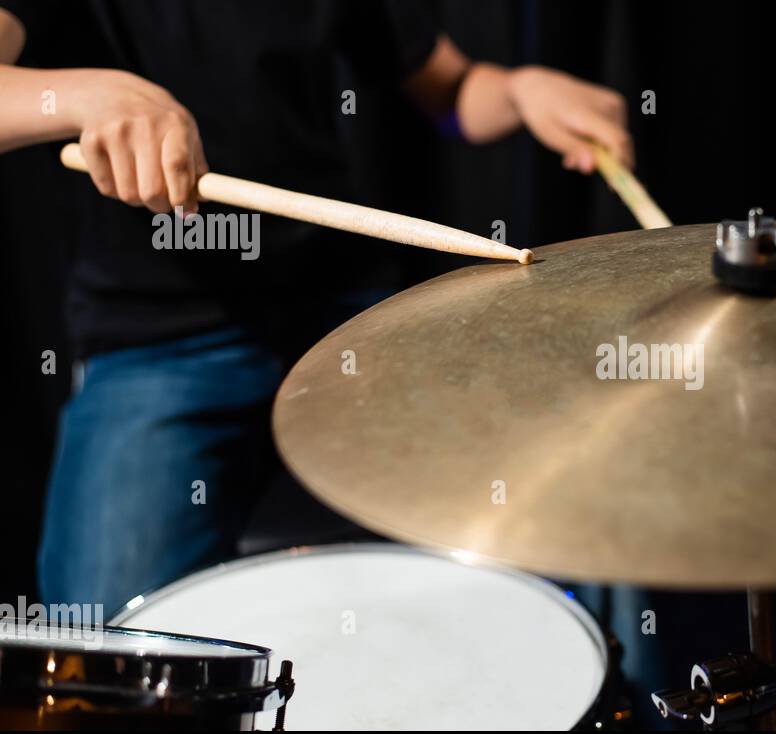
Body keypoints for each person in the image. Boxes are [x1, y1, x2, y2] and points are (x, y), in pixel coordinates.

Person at [0, 0, 634, 612]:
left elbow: (452, 90)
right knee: (108, 643)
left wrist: (518, 90)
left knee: (539, 519)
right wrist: (89, 94)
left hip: (345, 312)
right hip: (158, 337)